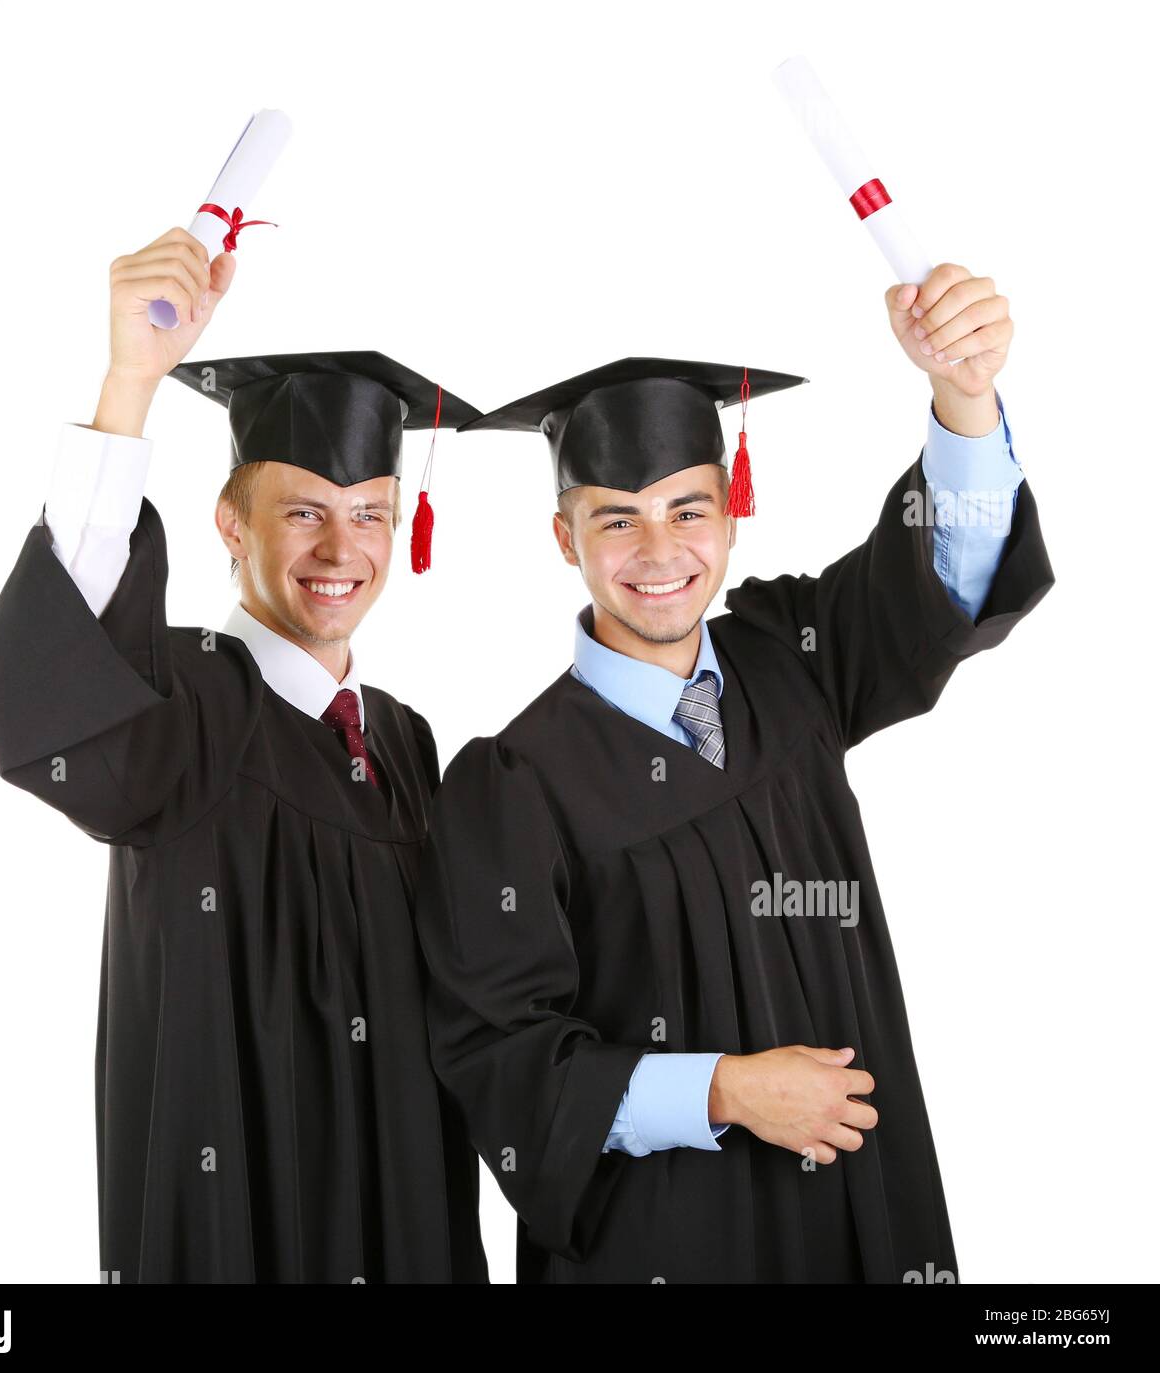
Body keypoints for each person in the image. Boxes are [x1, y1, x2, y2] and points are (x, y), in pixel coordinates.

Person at [414, 265, 1053, 1283]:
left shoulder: (789, 656)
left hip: (853, 1206)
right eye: (615, 517)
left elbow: (944, 576)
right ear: (562, 536)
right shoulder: (513, 782)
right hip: (668, 1237)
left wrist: (962, 395)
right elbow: (501, 1063)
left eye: (687, 508)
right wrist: (725, 1089)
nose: (659, 548)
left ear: (730, 512)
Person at [0, 227, 488, 1283]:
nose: (341, 551)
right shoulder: (183, 696)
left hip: (412, 1219)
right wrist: (129, 385)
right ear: (230, 521)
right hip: (245, 1227)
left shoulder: (403, 738)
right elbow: (43, 703)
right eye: (302, 512)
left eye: (369, 515)